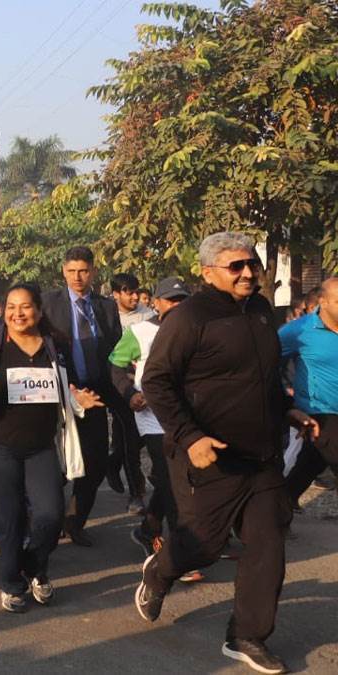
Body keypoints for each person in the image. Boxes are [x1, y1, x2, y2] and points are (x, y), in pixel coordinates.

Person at [135, 232, 303, 674]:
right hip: (209, 457)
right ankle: (161, 571)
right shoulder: (189, 318)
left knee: (268, 545)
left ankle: (246, 636)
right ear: (208, 272)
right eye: (236, 266)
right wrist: (190, 438)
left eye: (252, 265)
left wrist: (288, 410)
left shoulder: (263, 311)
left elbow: (263, 378)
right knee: (203, 546)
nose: (248, 273)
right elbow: (156, 381)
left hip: (262, 458)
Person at [0, 283, 101, 613]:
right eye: (11, 307)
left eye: (25, 307)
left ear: (38, 311)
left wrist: (77, 399)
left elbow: (68, 388)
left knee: (49, 515)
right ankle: (12, 583)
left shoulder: (54, 348)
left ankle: (34, 566)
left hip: (42, 448)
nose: (17, 313)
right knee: (11, 517)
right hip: (0, 448)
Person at [111, 278, 198, 582]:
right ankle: (178, 554)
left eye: (181, 300)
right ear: (157, 303)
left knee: (177, 478)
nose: (176, 306)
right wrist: (129, 394)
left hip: (188, 416)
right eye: (170, 300)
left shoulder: (197, 329)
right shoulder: (139, 331)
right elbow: (116, 366)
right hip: (153, 416)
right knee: (174, 480)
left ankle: (148, 529)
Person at [42, 246, 122, 547]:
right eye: (72, 271)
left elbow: (114, 350)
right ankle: (45, 518)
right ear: (63, 271)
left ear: (93, 272)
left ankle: (75, 520)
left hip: (95, 395)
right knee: (55, 464)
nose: (78, 277)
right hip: (58, 393)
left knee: (96, 461)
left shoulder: (106, 306)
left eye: (84, 271)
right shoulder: (48, 304)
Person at [280, 277, 338, 510]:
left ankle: (276, 510)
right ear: (322, 301)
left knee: (310, 464)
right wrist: (285, 399)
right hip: (319, 411)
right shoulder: (297, 331)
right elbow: (266, 363)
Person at [109, 272, 154, 514]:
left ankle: (112, 462)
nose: (134, 296)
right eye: (128, 292)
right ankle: (136, 493)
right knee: (128, 439)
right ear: (116, 294)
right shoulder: (108, 317)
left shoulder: (150, 316)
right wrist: (122, 375)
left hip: (147, 386)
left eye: (137, 291)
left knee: (140, 440)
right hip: (121, 387)